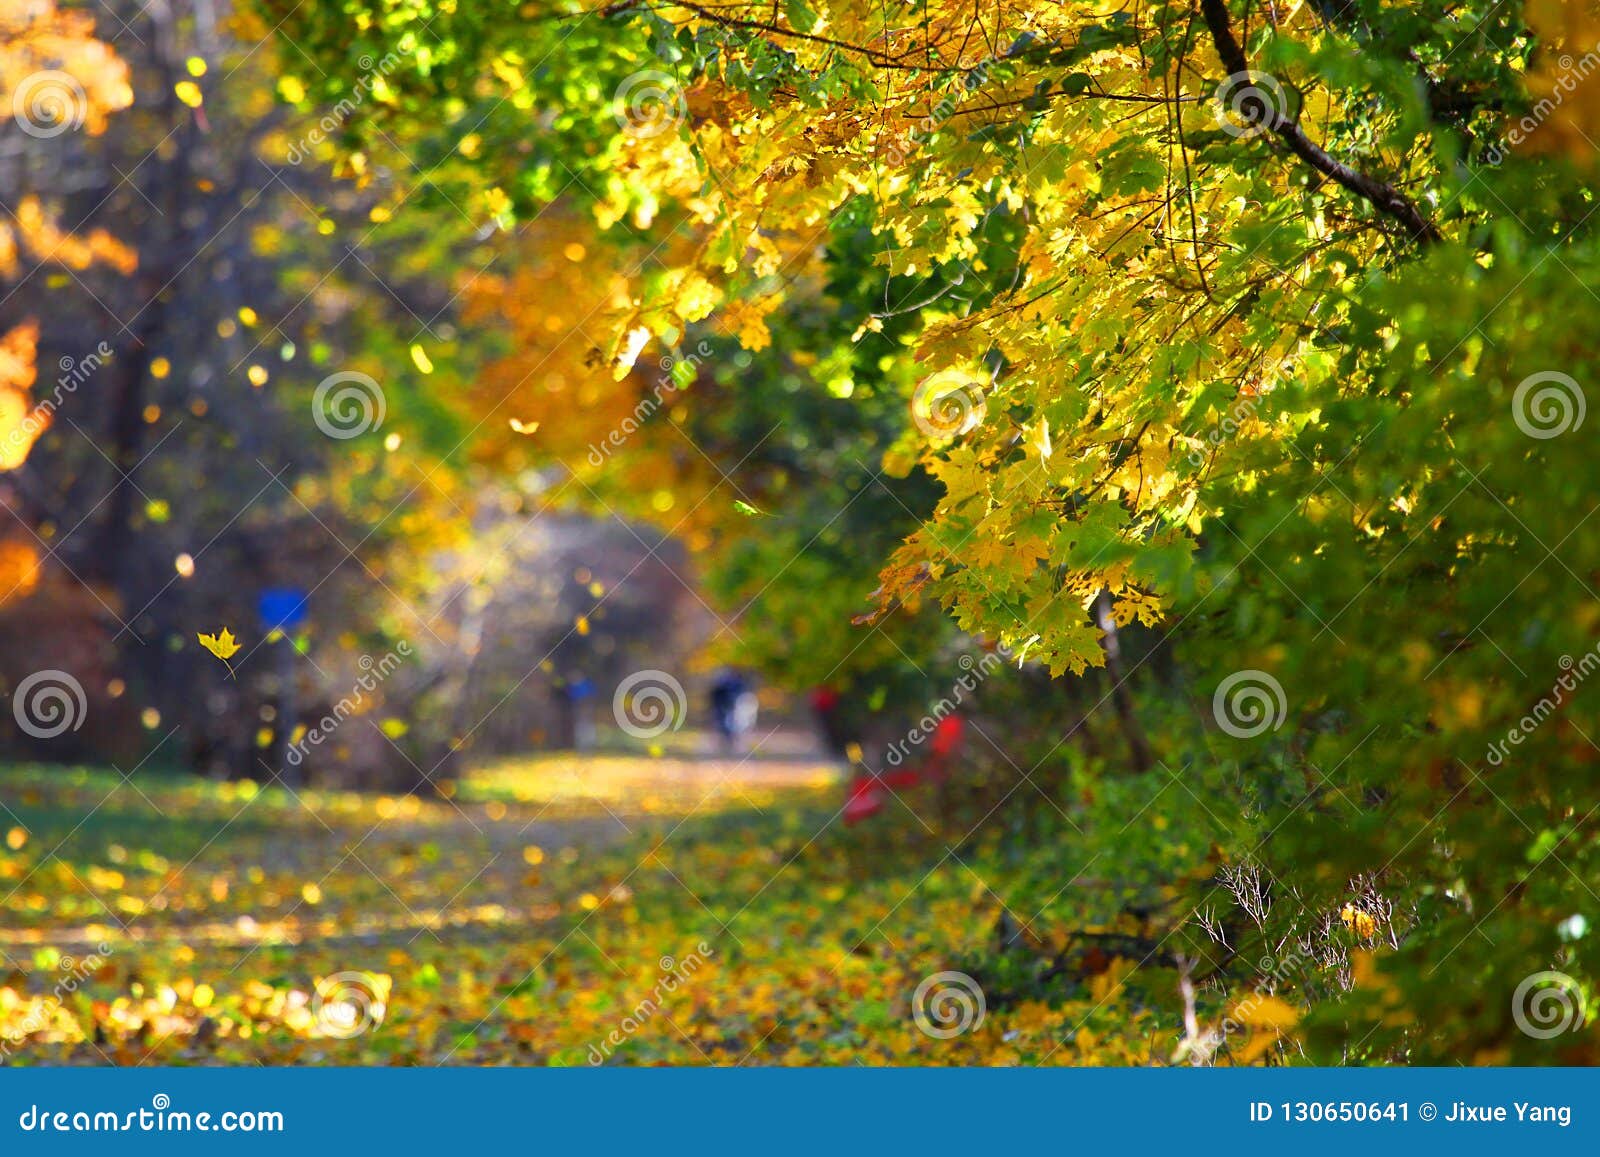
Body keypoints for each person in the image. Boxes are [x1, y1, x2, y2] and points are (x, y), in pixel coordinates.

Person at [709, 669, 757, 754]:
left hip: (731, 708)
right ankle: (727, 743)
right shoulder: (726, 685)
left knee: (731, 726)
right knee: (725, 726)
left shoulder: (736, 685)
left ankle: (731, 743)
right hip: (724, 708)